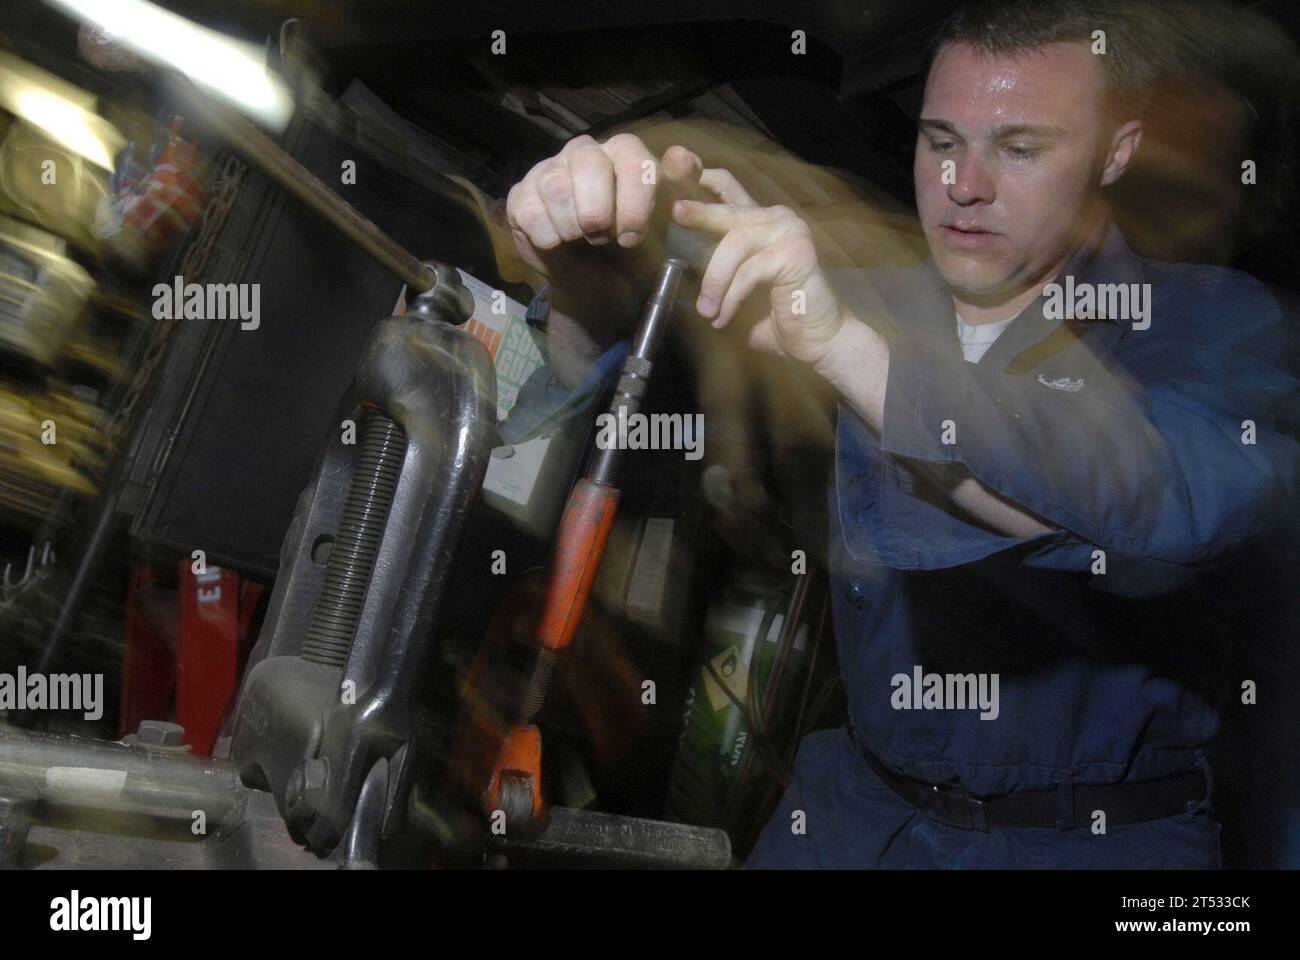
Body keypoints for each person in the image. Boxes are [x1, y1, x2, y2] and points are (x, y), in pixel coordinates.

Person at [504, 0, 1299, 867]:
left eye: (1021, 148)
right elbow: (588, 389)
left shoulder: (1208, 322)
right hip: (853, 815)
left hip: (1096, 838)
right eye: (941, 140)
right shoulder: (868, 299)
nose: (965, 184)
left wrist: (848, 352)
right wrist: (584, 267)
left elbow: (1165, 499)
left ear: (1116, 151)